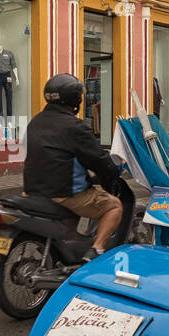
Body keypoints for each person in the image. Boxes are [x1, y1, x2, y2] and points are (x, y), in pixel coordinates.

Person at [22, 73, 121, 261]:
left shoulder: (36, 121)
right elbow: (98, 159)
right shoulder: (75, 126)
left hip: (33, 191)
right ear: (75, 99)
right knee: (114, 206)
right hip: (63, 193)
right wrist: (112, 172)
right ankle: (97, 249)